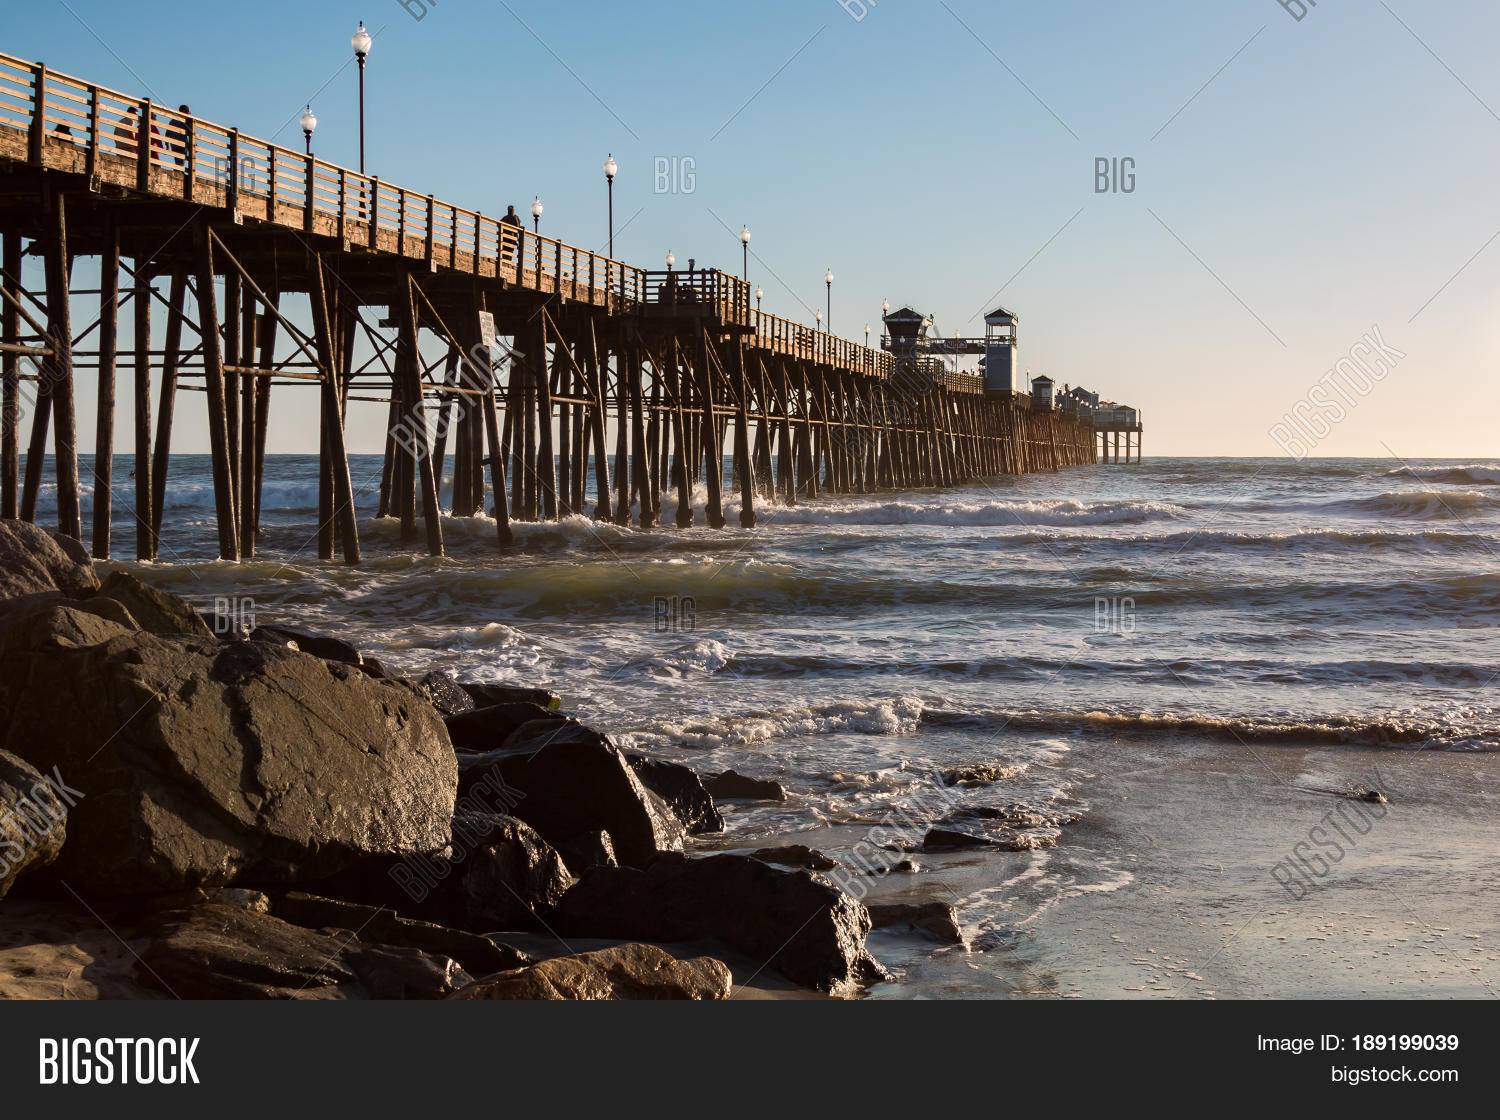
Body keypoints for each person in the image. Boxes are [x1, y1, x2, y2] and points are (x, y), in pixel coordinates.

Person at [164, 104, 190, 170]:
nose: (188, 113)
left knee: (177, 161)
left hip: (174, 145)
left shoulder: (173, 121)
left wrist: (167, 144)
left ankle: (177, 171)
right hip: (182, 145)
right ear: (182, 111)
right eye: (187, 111)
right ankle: (179, 173)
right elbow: (191, 133)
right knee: (180, 162)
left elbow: (167, 132)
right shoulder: (184, 121)